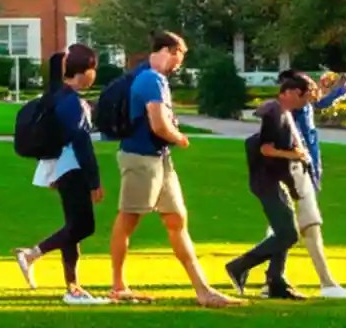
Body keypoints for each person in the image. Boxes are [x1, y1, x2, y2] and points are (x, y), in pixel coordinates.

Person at [109, 31, 240, 307]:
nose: (179, 64)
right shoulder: (151, 79)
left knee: (176, 220)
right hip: (140, 158)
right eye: (180, 57)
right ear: (170, 50)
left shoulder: (151, 77)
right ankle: (118, 285)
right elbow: (158, 124)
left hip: (159, 158)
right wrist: (179, 137)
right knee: (128, 220)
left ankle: (203, 290)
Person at [255, 71, 346, 300]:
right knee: (306, 225)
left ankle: (266, 277)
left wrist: (333, 90)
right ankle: (326, 283)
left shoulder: (295, 105)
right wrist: (342, 88)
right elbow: (321, 102)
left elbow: (318, 101)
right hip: (296, 169)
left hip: (302, 168)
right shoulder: (290, 107)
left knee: (285, 227)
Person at [13, 46, 108, 305]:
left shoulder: (56, 94)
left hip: (57, 165)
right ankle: (33, 254)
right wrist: (94, 180)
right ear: (85, 72)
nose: (94, 76)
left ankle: (73, 288)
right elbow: (81, 142)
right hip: (70, 166)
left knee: (73, 226)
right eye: (93, 70)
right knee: (83, 226)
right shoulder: (71, 102)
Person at [225, 71, 316, 300]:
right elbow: (266, 148)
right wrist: (294, 154)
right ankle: (239, 265)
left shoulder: (283, 112)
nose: (305, 103)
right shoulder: (275, 112)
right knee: (288, 234)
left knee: (283, 231)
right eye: (304, 98)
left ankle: (277, 282)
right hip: (267, 181)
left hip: (276, 180)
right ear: (294, 93)